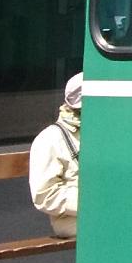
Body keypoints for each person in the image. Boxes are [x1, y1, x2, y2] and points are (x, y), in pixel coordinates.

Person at [28, 75, 83, 238]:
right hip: (72, 218)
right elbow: (44, 195)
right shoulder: (50, 138)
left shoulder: (106, 131)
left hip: (107, 209)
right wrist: (93, 201)